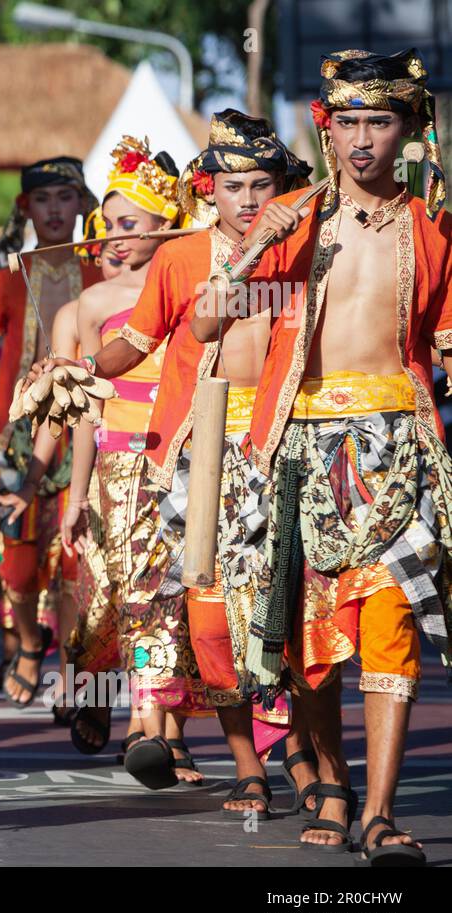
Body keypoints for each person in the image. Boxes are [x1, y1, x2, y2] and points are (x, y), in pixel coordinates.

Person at [193, 49, 452, 865]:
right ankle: (331, 783)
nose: (364, 140)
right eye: (349, 124)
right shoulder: (297, 222)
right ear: (327, 129)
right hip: (301, 451)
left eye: (381, 122)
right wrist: (249, 247)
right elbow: (205, 323)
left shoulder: (432, 229)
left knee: (390, 626)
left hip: (398, 449)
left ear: (409, 131)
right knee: (308, 636)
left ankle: (379, 813)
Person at [38, 112, 322, 813]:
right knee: (208, 617)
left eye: (263, 184)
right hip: (196, 452)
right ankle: (246, 761)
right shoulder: (181, 259)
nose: (250, 199)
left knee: (290, 606)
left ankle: (307, 757)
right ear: (209, 190)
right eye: (233, 185)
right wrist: (77, 371)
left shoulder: (312, 247)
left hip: (285, 440)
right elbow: (134, 343)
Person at [31, 138, 210, 787]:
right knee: (105, 599)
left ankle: (157, 728)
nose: (117, 234)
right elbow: (82, 412)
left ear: (168, 224)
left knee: (168, 597)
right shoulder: (90, 305)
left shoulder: (196, 289)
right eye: (110, 221)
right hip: (113, 471)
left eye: (132, 222)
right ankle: (93, 687)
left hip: (181, 461)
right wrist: (75, 494)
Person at [0, 158, 100, 706]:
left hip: (86, 425)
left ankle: (76, 674)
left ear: (82, 204)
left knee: (77, 558)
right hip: (18, 431)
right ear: (27, 209)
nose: (56, 209)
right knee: (15, 562)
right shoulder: (8, 277)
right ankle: (31, 641)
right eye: (44, 200)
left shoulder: (103, 270)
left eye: (66, 197)